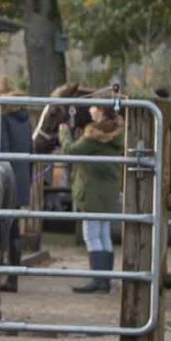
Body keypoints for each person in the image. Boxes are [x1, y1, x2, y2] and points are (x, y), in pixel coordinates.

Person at [59, 103, 124, 293]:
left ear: (101, 111)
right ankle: (105, 279)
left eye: (93, 108)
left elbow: (70, 151)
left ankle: (98, 279)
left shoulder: (94, 137)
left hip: (92, 192)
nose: (90, 110)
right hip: (109, 192)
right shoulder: (116, 134)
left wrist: (64, 133)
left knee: (91, 235)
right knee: (104, 233)